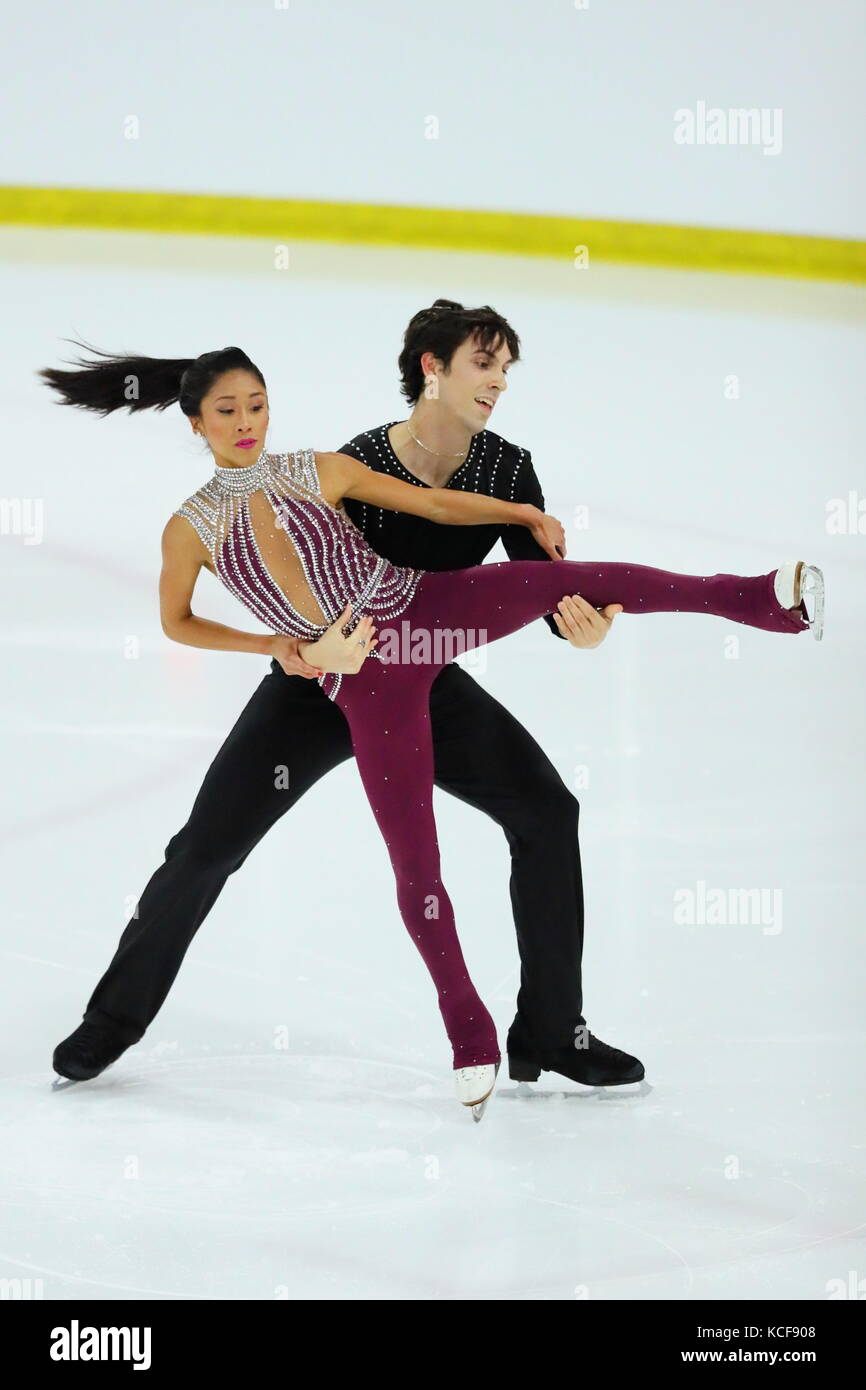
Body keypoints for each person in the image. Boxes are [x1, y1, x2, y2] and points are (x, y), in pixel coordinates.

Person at [41, 320, 823, 1119]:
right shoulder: (209, 517)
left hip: (422, 631)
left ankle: (760, 600)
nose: (246, 423)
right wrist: (285, 648)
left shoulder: (352, 466)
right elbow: (178, 621)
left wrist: (522, 517)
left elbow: (445, 512)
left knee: (547, 807)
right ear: (197, 422)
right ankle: (112, 1022)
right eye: (228, 411)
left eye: (257, 406)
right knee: (207, 850)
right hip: (315, 686)